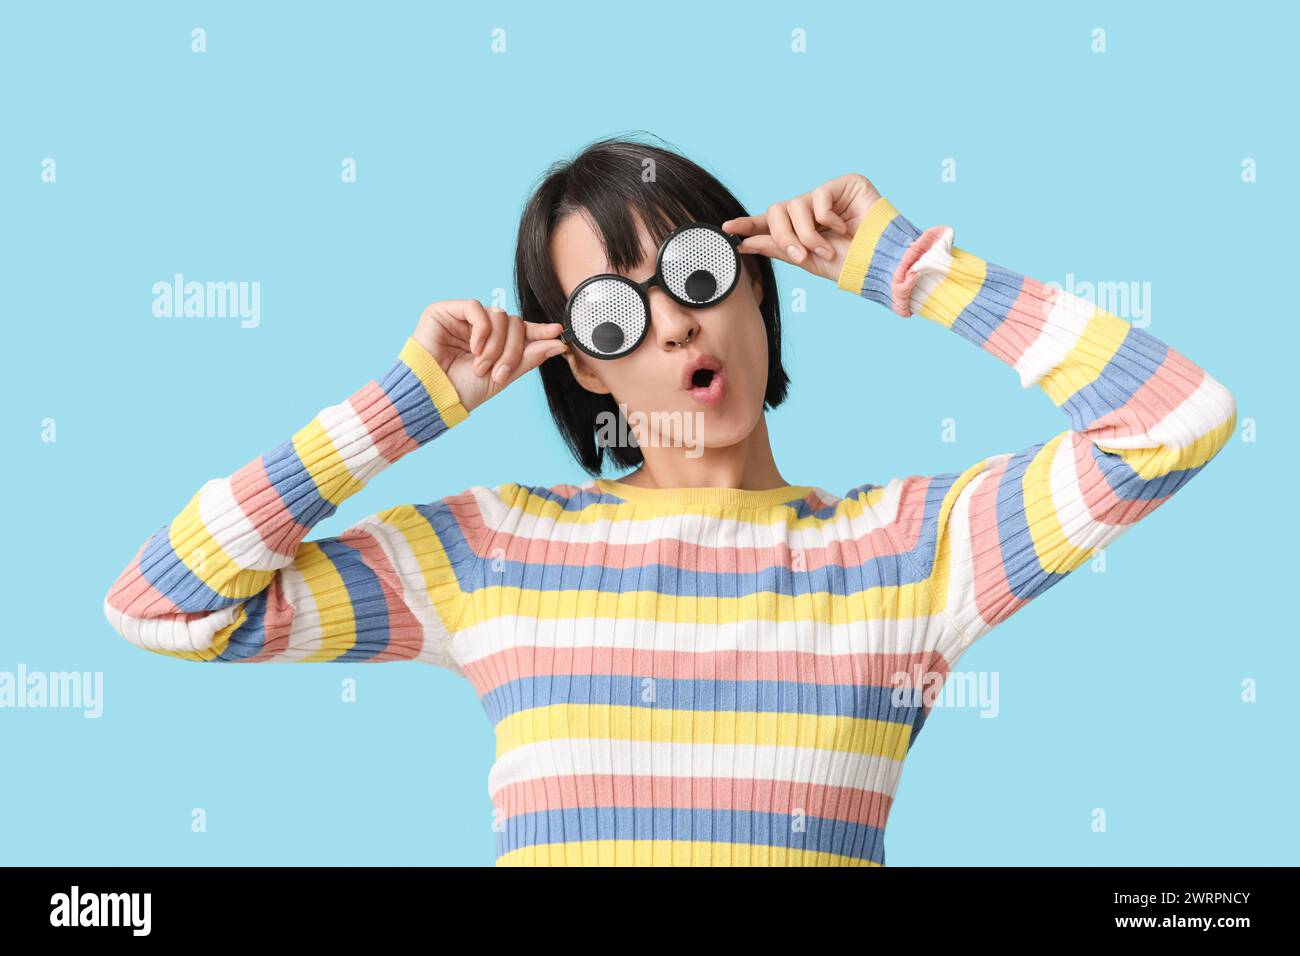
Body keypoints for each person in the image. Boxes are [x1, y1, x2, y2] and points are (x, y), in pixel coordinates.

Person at [102, 135, 1237, 866]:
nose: (677, 322)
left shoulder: (909, 548)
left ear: (754, 281)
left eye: (695, 275)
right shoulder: (495, 549)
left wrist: (910, 266)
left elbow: (1174, 422)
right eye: (615, 313)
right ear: (583, 364)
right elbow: (168, 608)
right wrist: (404, 405)